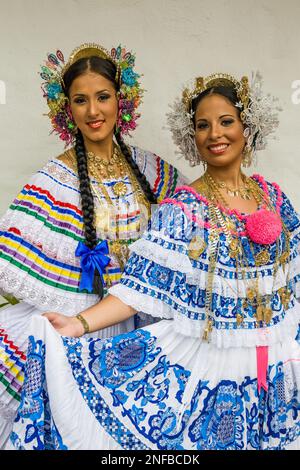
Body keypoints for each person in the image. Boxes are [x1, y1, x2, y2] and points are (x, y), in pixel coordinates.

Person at [8, 72, 300, 450]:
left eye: (226, 121)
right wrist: (78, 324)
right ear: (191, 136)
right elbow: (139, 289)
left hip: (279, 369)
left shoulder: (273, 198)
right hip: (215, 373)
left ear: (249, 127)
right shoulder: (184, 209)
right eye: (202, 125)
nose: (215, 134)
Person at [0, 43, 185, 447]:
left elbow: (191, 230)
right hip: (87, 320)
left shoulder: (154, 171)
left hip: (151, 321)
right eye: (80, 101)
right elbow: (12, 255)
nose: (93, 111)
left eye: (103, 97)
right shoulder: (54, 180)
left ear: (123, 99)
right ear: (66, 109)